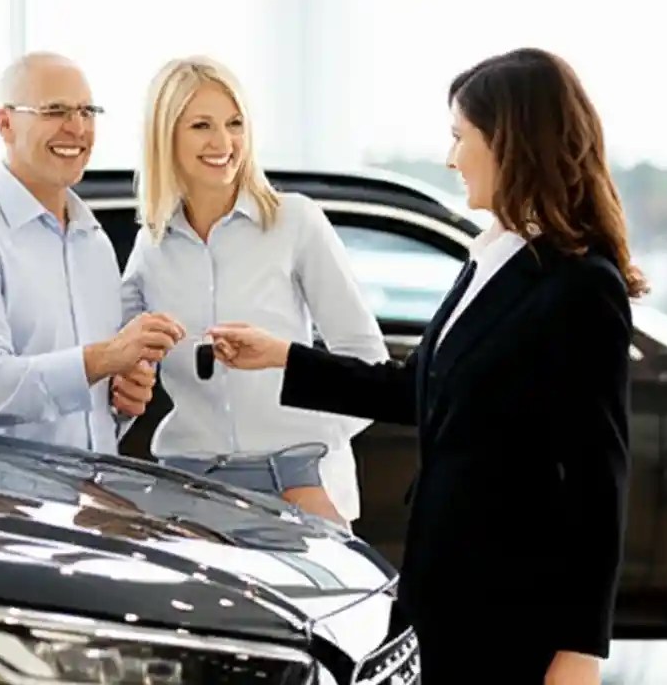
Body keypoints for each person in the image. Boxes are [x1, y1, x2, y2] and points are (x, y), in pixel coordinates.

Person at [207, 47, 644, 684]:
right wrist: (284, 358)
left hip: (512, 607)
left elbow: (598, 479)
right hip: (443, 581)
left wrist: (581, 647)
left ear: (509, 142)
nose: (450, 157)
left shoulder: (579, 286)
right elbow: (424, 387)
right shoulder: (494, 256)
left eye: (459, 137)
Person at [117, 55, 388, 527]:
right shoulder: (151, 245)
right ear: (166, 137)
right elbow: (114, 368)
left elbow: (365, 358)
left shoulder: (294, 221)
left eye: (235, 123)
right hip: (192, 488)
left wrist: (309, 456)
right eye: (202, 125)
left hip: (298, 482)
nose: (223, 142)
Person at [0, 52, 184, 455]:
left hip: (87, 502)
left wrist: (122, 398)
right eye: (55, 111)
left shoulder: (93, 243)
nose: (77, 128)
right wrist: (103, 358)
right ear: (5, 123)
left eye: (87, 112)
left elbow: (91, 407)